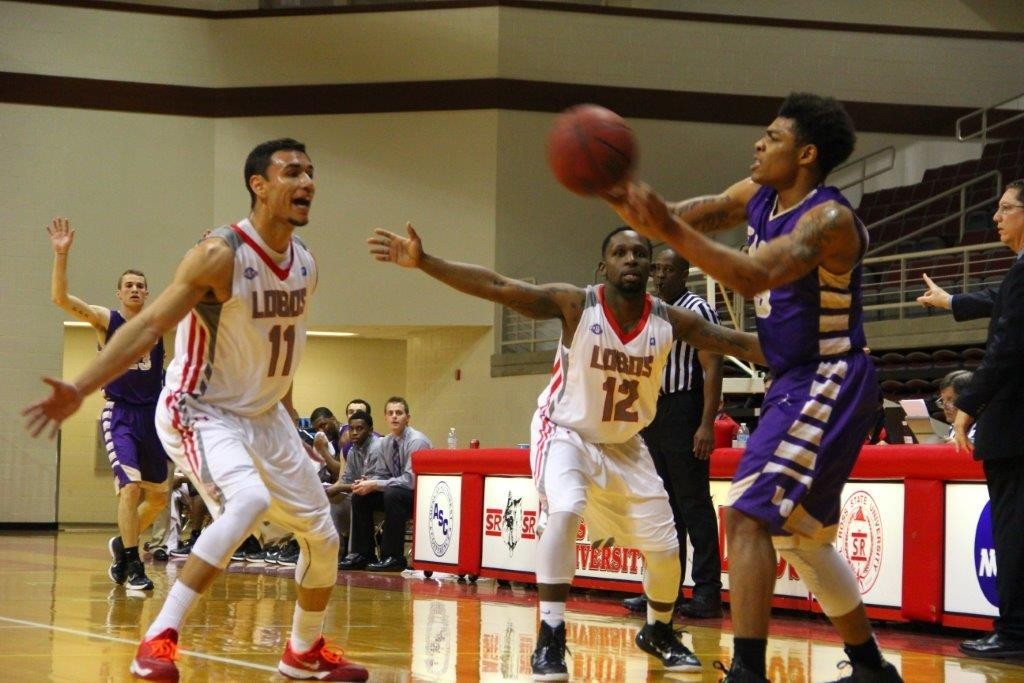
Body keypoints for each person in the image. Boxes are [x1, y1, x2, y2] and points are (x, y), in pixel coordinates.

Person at [24, 138, 368, 681]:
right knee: (248, 501)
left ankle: (302, 651)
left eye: (310, 172)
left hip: (264, 416)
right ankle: (158, 638)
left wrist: (290, 421)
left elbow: (279, 355)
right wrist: (81, 385)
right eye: (292, 172)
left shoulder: (305, 262)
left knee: (323, 536)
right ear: (259, 185)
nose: (307, 182)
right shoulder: (219, 255)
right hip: (200, 407)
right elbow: (147, 325)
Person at [368, 223, 764, 677]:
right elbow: (498, 286)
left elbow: (735, 342)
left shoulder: (669, 320)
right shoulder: (578, 305)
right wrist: (425, 262)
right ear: (603, 266)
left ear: (650, 267)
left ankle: (658, 630)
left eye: (640, 253)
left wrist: (812, 349)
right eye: (620, 252)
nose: (631, 259)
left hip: (624, 442)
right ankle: (551, 633)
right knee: (565, 509)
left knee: (666, 546)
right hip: (565, 431)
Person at [605, 92, 902, 682]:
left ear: (807, 154)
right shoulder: (760, 194)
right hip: (792, 376)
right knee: (804, 542)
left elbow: (753, 273)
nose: (758, 144)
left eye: (773, 137)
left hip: (830, 375)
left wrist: (664, 224)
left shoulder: (830, 220)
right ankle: (872, 669)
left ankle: (747, 672)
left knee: (745, 518)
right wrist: (630, 203)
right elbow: (700, 212)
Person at [916, 179, 1024, 659]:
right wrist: (951, 302)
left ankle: (1015, 634)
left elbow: (1006, 350)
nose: (996, 217)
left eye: (1006, 208)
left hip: (1015, 428)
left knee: (1014, 532)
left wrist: (967, 407)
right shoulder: (1018, 275)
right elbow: (999, 297)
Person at [46, 216, 169, 591]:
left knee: (159, 498)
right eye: (129, 285)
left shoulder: (158, 323)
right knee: (130, 489)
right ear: (119, 293)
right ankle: (133, 564)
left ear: (147, 293)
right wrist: (61, 255)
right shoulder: (107, 320)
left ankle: (121, 543)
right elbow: (61, 300)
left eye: (140, 286)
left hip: (153, 418)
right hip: (121, 415)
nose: (135, 289)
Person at [622, 248, 725, 619]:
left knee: (693, 503)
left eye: (669, 270)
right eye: (657, 269)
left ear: (684, 274)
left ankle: (708, 592)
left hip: (685, 407)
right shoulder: (647, 310)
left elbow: (712, 367)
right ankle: (666, 590)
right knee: (663, 508)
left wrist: (706, 423)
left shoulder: (697, 309)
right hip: (654, 411)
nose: (661, 275)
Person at [339, 396, 430, 572]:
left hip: (419, 495)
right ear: (386, 418)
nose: (394, 416)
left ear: (407, 418)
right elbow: (382, 475)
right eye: (391, 413)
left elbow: (410, 480)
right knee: (361, 495)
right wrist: (367, 482)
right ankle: (363, 554)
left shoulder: (417, 441)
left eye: (399, 413)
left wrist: (376, 483)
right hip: (396, 494)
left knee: (392, 494)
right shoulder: (385, 442)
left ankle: (394, 556)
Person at [330, 410, 384, 568]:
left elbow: (371, 482)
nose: (354, 432)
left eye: (359, 428)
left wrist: (338, 488)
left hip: (384, 494)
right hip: (363, 492)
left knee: (358, 498)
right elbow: (347, 480)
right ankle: (333, 553)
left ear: (370, 430)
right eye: (351, 429)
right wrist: (331, 489)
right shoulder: (353, 450)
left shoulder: (377, 447)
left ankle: (357, 553)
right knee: (332, 502)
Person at [936, 370, 975, 442]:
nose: (945, 407)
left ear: (968, 400)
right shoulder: (953, 428)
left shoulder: (986, 428)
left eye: (950, 400)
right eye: (943, 400)